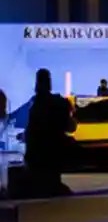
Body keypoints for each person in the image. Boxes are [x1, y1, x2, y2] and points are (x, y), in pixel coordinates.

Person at [24, 69, 77, 197]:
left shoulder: (35, 105)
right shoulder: (57, 103)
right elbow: (70, 126)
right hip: (51, 156)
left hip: (39, 158)